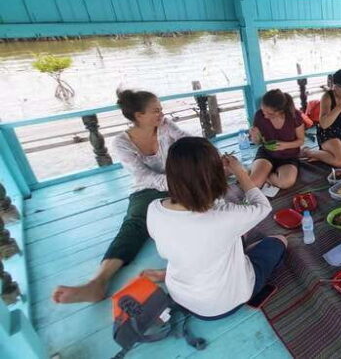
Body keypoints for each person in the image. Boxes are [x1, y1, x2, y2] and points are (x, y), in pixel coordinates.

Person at [53, 89, 189, 304]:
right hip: (149, 188)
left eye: (161, 109)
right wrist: (178, 183)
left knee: (201, 212)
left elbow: (189, 143)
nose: (161, 114)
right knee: (135, 224)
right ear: (138, 116)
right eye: (155, 110)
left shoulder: (164, 126)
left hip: (180, 182)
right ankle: (97, 283)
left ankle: (182, 270)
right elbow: (144, 175)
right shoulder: (121, 142)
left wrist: (196, 168)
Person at [144, 137, 286, 319]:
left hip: (179, 293)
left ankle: (170, 275)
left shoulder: (155, 208)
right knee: (280, 241)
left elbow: (181, 238)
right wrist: (240, 171)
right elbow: (263, 207)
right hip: (221, 304)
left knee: (213, 244)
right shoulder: (223, 215)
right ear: (214, 175)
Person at [248, 89, 305, 189]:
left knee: (286, 183)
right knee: (254, 185)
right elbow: (257, 142)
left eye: (269, 114)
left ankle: (262, 174)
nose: (265, 115)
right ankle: (261, 173)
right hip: (267, 153)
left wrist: (284, 145)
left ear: (281, 111)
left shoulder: (294, 115)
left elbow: (301, 140)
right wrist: (255, 137)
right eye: (263, 111)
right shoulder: (259, 116)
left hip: (289, 156)